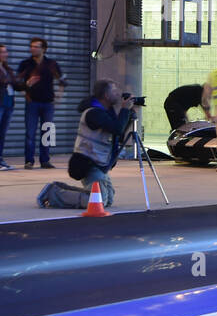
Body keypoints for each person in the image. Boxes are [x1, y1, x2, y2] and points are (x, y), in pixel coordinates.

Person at [61, 79, 133, 208]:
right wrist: (124, 110)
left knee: (108, 200)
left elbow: (118, 133)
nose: (118, 94)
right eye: (115, 90)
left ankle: (77, 192)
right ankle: (54, 193)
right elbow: (116, 128)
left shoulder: (106, 112)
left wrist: (130, 113)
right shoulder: (93, 113)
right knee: (99, 202)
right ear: (106, 95)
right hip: (88, 163)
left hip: (100, 163)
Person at [16, 37, 66, 169]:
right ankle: (29, 161)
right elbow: (16, 83)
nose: (32, 49)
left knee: (47, 132)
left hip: (48, 104)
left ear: (43, 49)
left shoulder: (51, 64)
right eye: (31, 46)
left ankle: (45, 160)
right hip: (32, 103)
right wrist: (25, 90)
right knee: (30, 133)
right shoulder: (25, 64)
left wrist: (58, 98)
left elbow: (62, 81)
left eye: (36, 46)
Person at [0, 45, 17, 170]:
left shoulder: (6, 68)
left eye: (5, 52)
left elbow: (14, 84)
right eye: (2, 52)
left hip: (8, 104)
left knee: (2, 134)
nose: (5, 54)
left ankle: (0, 160)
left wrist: (27, 84)